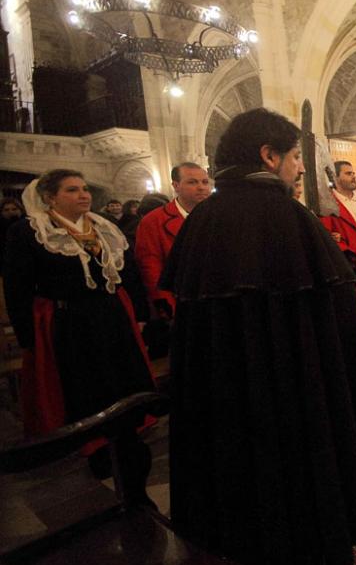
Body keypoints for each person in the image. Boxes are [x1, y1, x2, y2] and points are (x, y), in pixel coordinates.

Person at [159, 108, 356, 565]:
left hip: (224, 405)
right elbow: (334, 325)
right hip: (294, 402)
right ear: (269, 155)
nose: (301, 168)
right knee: (294, 480)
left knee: (235, 468)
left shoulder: (202, 222)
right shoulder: (289, 219)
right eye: (296, 158)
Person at [3, 169, 155, 501]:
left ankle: (124, 434)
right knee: (85, 385)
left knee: (121, 380)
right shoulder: (29, 232)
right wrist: (29, 338)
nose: (84, 195)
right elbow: (18, 289)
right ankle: (94, 442)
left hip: (111, 317)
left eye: (85, 189)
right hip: (69, 322)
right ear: (49, 197)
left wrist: (140, 314)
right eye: (72, 190)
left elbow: (128, 273)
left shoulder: (103, 227)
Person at [135, 162, 212, 321]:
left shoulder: (219, 216)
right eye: (192, 182)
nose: (201, 187)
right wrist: (167, 307)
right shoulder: (154, 220)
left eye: (205, 182)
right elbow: (151, 267)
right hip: (180, 301)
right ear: (176, 185)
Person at [0, 197, 25, 272]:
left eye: (14, 209)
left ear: (20, 210)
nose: (10, 212)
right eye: (6, 210)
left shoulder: (27, 226)